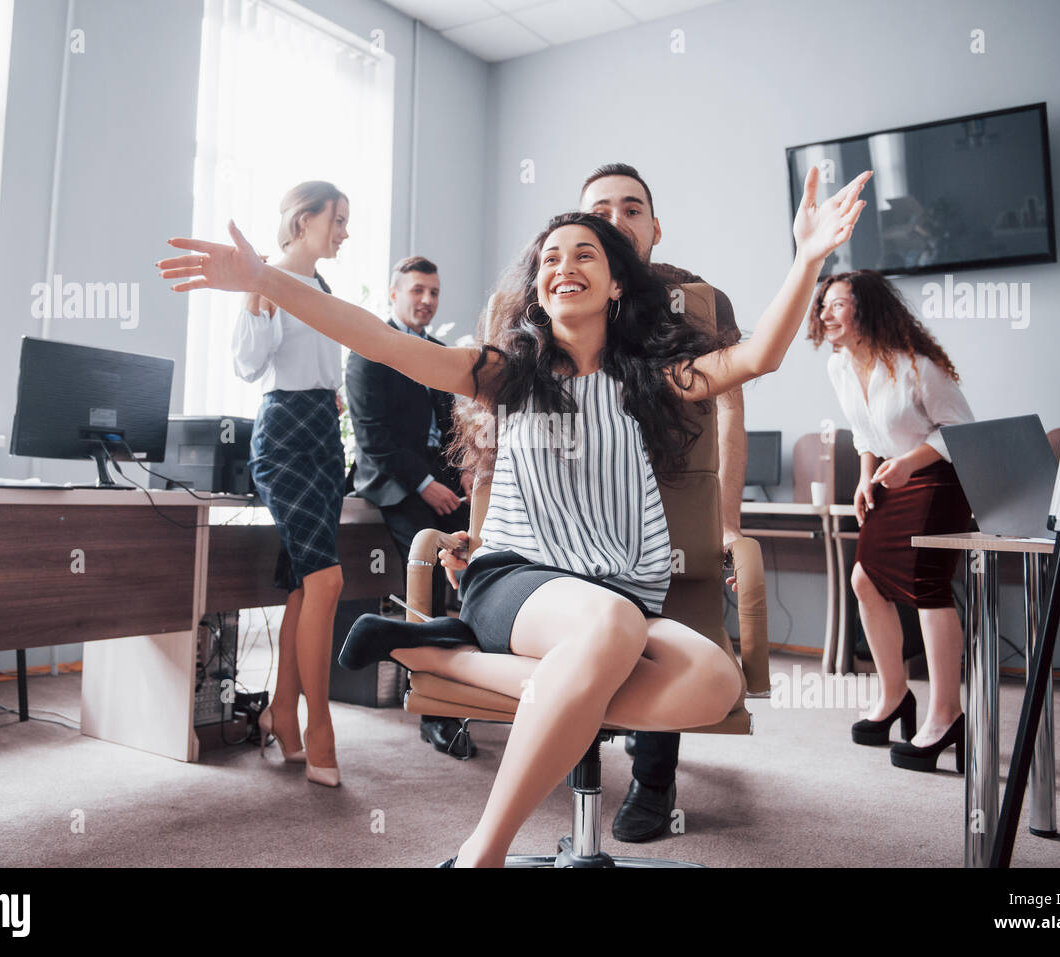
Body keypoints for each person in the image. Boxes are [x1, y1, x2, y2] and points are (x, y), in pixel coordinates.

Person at [158, 165, 870, 866]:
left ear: (616, 281)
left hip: (618, 596)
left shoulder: (649, 379)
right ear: (537, 288)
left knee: (712, 680)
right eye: (550, 257)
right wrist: (265, 279)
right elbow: (380, 341)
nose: (566, 264)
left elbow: (759, 357)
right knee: (611, 629)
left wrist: (809, 257)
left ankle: (440, 653)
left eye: (585, 253)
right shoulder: (503, 372)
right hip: (519, 580)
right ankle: (483, 852)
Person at [578, 162, 747, 842]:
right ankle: (583, 751)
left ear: (653, 226)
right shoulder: (561, 291)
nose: (618, 220)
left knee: (667, 613)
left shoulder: (696, 303)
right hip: (581, 495)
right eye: (601, 209)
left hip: (667, 490)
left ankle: (653, 778)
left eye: (632, 208)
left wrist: (726, 521)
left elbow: (731, 408)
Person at [807, 269, 974, 772]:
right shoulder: (840, 365)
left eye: (837, 304)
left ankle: (947, 715)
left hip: (938, 481)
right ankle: (895, 696)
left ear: (867, 311)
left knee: (928, 588)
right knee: (865, 582)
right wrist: (864, 477)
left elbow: (961, 432)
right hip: (887, 478)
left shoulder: (917, 364)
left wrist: (906, 464)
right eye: (823, 306)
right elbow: (864, 432)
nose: (824, 313)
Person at [231, 180, 350, 788]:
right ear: (305, 220)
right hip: (283, 434)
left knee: (307, 586)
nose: (345, 232)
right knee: (327, 580)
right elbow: (249, 366)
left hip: (326, 439)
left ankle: (282, 713)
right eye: (338, 220)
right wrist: (255, 289)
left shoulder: (324, 287)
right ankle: (320, 724)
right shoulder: (270, 280)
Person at [344, 255, 476, 759]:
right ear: (394, 294)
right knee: (429, 583)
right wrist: (425, 485)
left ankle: (484, 687)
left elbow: (454, 429)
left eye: (434, 292)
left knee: (484, 562)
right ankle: (434, 712)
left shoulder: (439, 354)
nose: (426, 300)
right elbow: (373, 439)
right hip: (395, 486)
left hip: (443, 484)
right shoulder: (367, 352)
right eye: (417, 290)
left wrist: (464, 469)